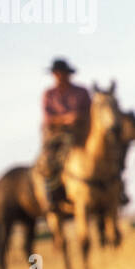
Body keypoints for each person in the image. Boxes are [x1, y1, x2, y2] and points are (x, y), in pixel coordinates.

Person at [35, 58, 90, 208]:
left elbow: (90, 112)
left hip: (82, 131)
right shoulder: (49, 94)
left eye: (62, 73)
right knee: (49, 161)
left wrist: (79, 119)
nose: (60, 76)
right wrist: (67, 119)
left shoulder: (82, 91)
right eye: (57, 73)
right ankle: (52, 195)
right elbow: (48, 119)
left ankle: (117, 190)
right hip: (56, 134)